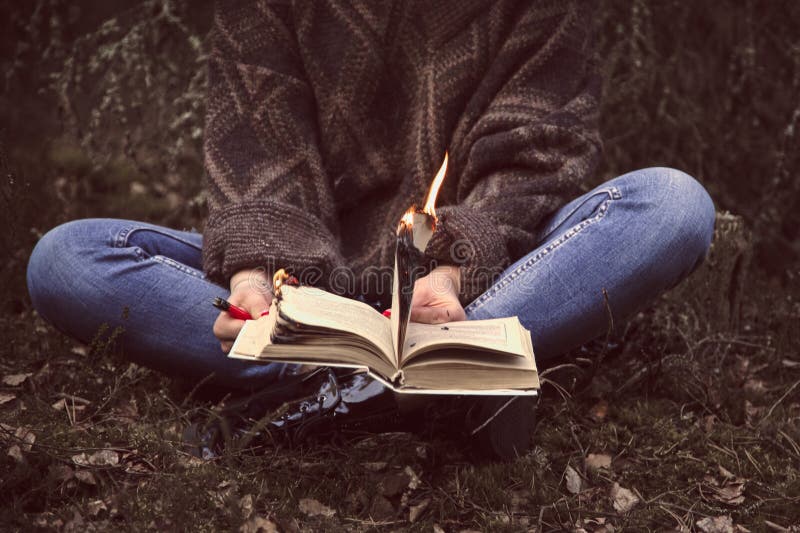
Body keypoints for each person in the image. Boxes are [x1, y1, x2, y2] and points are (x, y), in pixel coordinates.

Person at [26, 0, 715, 457]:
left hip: (475, 283)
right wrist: (253, 283)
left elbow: (535, 156)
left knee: (671, 204)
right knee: (71, 257)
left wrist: (449, 273)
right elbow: (261, 158)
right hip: (313, 290)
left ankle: (343, 394)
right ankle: (430, 385)